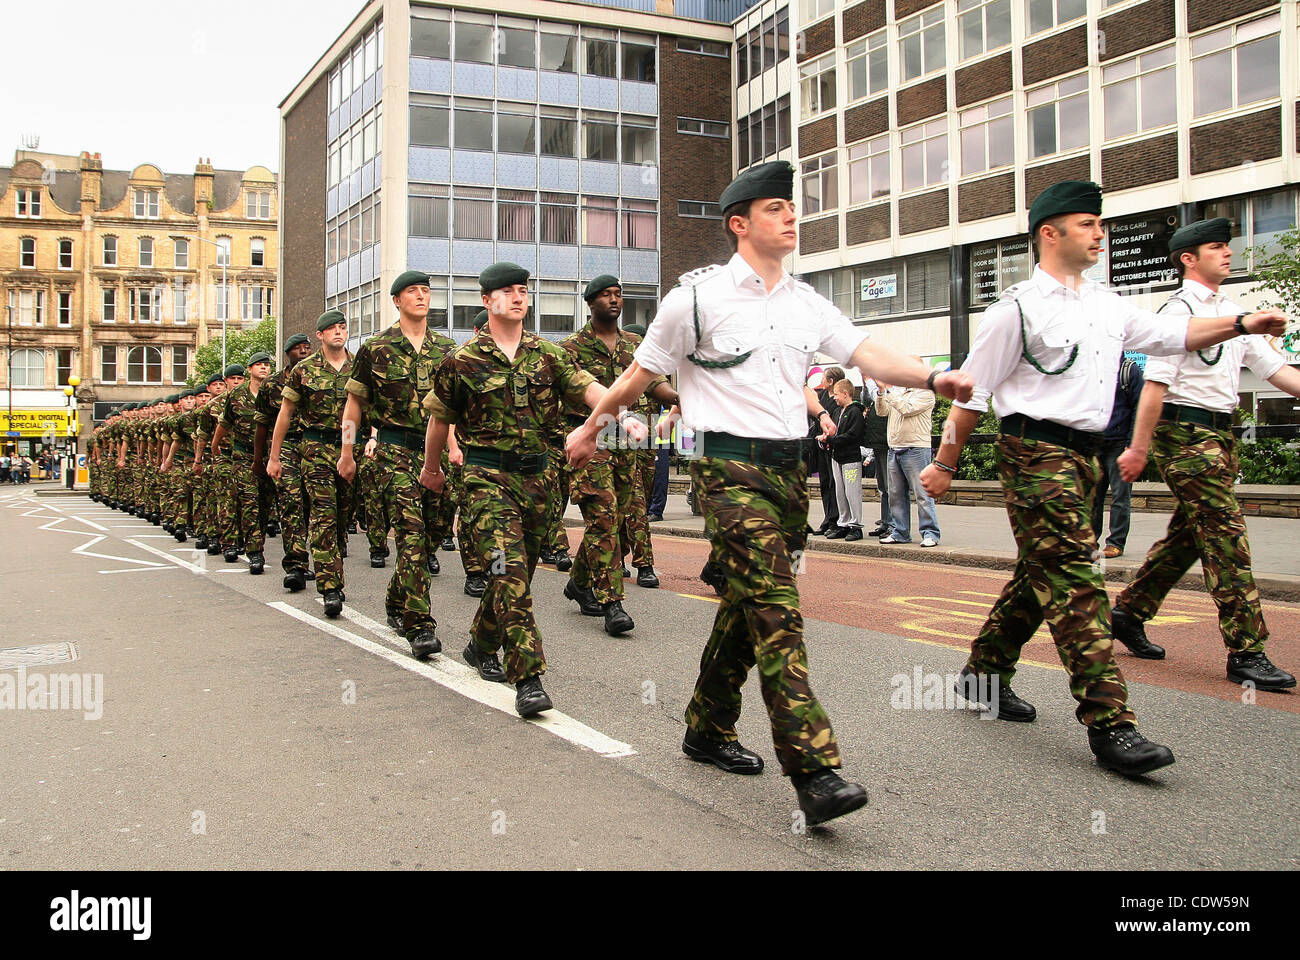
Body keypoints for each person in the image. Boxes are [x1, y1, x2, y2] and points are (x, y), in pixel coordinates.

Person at [568, 160, 974, 826]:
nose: (792, 215)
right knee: (778, 612)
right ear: (740, 223)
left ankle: (706, 726)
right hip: (726, 472)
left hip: (789, 477)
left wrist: (935, 380)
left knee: (745, 607)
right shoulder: (693, 300)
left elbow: (869, 355)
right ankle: (814, 769)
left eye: (793, 206)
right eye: (777, 206)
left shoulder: (805, 301)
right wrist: (591, 430)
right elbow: (637, 379)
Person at [920, 181, 1288, 777]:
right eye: (1088, 223)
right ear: (1049, 233)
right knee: (1075, 578)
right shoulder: (1013, 309)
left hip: (1089, 457)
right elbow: (972, 395)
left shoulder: (1107, 303)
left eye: (1100, 224)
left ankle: (984, 672)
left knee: (1041, 568)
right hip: (1035, 452)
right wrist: (945, 462)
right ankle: (1111, 725)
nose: (1100, 234)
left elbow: (1174, 337)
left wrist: (1242, 322)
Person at [1111, 217, 1299, 691]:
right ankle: (1246, 651)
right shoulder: (1178, 315)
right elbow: (1154, 385)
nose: (1228, 253)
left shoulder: (1235, 313)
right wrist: (1138, 447)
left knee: (1191, 537)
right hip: (1186, 435)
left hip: (1221, 434)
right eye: (1216, 247)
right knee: (1226, 535)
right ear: (1188, 258)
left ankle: (1128, 612)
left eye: (1227, 247)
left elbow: (1276, 370)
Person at [420, 261, 611, 717]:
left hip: (542, 481)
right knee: (507, 572)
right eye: (507, 290)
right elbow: (438, 420)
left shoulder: (549, 354)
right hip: (486, 480)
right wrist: (432, 468)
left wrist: (620, 416)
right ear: (487, 301)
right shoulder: (459, 362)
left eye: (523, 289)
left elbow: (591, 392)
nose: (519, 297)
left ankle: (480, 642)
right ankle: (527, 676)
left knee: (516, 574)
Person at [339, 270, 459, 659]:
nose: (422, 297)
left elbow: (452, 408)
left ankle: (396, 599)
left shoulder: (447, 348)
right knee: (410, 533)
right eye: (413, 291)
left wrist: (455, 450)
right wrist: (347, 451)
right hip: (394, 451)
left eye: (426, 291)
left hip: (437, 454)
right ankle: (419, 624)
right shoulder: (375, 348)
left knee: (430, 537)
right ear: (396, 300)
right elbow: (354, 404)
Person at [560, 276, 678, 635]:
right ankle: (612, 603)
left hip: (629, 445)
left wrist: (676, 398)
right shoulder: (571, 347)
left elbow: (652, 382)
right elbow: (572, 392)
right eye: (606, 295)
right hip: (591, 441)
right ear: (590, 302)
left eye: (618, 295)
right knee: (603, 518)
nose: (614, 300)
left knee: (626, 521)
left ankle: (579, 582)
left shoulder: (635, 344)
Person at [270, 311, 354, 618]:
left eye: (342, 327)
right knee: (324, 514)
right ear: (319, 335)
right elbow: (285, 413)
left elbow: (362, 411)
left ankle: (332, 569)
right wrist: (274, 456)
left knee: (344, 515)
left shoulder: (358, 367)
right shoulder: (304, 370)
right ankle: (330, 586)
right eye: (331, 328)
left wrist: (362, 441)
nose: (338, 332)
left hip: (347, 445)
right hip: (314, 448)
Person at [257, 333, 314, 590]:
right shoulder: (271, 385)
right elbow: (264, 424)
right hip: (288, 445)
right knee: (291, 502)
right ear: (287, 353)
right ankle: (296, 565)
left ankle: (325, 565)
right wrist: (265, 457)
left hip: (318, 447)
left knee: (318, 507)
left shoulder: (320, 376)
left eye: (307, 347)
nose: (303, 351)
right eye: (297, 348)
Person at [213, 358, 269, 574]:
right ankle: (255, 551)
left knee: (265, 503)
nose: (264, 367)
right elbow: (225, 422)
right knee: (249, 502)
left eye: (267, 364)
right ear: (250, 369)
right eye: (259, 364)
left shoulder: (275, 390)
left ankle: (257, 538)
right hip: (243, 455)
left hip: (270, 455)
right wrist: (215, 444)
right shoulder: (236, 396)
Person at [876, 372, 939, 547]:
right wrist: (881, 392)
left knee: (922, 494)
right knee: (895, 495)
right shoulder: (897, 392)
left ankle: (930, 533)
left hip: (916, 448)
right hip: (894, 447)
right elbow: (882, 412)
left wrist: (889, 390)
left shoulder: (925, 393)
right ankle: (900, 532)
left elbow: (906, 409)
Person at [1091, 354, 1144, 559]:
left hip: (1119, 444)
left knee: (1120, 496)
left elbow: (1139, 410)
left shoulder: (1128, 370)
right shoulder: (1093, 369)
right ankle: (1090, 539)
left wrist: (1132, 445)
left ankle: (1116, 543)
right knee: (1093, 496)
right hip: (1095, 443)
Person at [826, 378, 865, 541]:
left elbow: (853, 435)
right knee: (840, 492)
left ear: (845, 393)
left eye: (836, 394)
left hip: (850, 460)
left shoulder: (855, 412)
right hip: (837, 458)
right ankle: (843, 523)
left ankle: (855, 526)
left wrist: (832, 440)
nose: (834, 397)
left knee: (852, 492)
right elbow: (833, 432)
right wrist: (827, 437)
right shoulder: (837, 412)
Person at [811, 366, 844, 535]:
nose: (821, 381)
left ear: (831, 381)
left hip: (832, 445)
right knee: (824, 483)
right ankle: (827, 518)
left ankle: (836, 520)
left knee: (834, 483)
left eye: (824, 378)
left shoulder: (839, 401)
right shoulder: (821, 396)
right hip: (819, 445)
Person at [860, 378, 892, 537]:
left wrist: (869, 380)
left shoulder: (889, 391)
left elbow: (875, 396)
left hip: (887, 444)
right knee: (882, 487)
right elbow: (866, 399)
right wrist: (865, 381)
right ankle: (886, 522)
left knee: (889, 487)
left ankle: (893, 525)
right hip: (878, 443)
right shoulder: (876, 391)